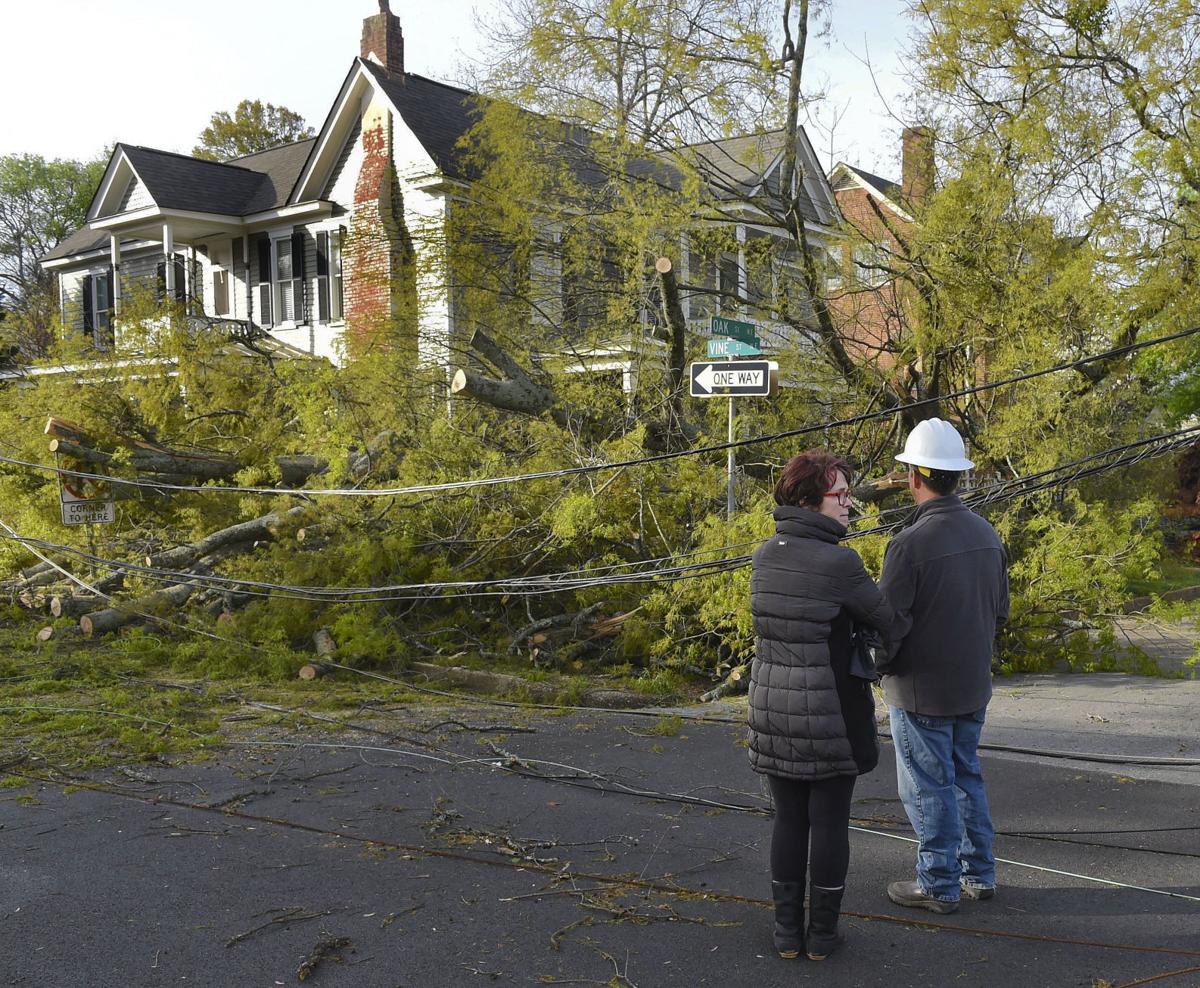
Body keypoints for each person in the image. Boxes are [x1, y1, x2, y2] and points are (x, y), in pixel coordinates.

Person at [748, 449, 893, 961]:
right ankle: (824, 936)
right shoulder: (839, 561)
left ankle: (787, 933)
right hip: (831, 710)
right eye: (841, 494)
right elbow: (888, 620)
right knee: (830, 821)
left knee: (789, 818)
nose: (850, 502)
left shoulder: (765, 554)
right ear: (810, 499)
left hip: (772, 707)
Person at [878, 418, 1009, 915]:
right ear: (958, 475)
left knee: (929, 786)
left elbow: (887, 625)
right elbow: (1000, 613)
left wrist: (876, 667)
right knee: (965, 778)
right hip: (972, 684)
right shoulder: (986, 533)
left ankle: (937, 883)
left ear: (914, 476)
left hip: (920, 690)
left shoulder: (909, 544)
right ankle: (979, 874)